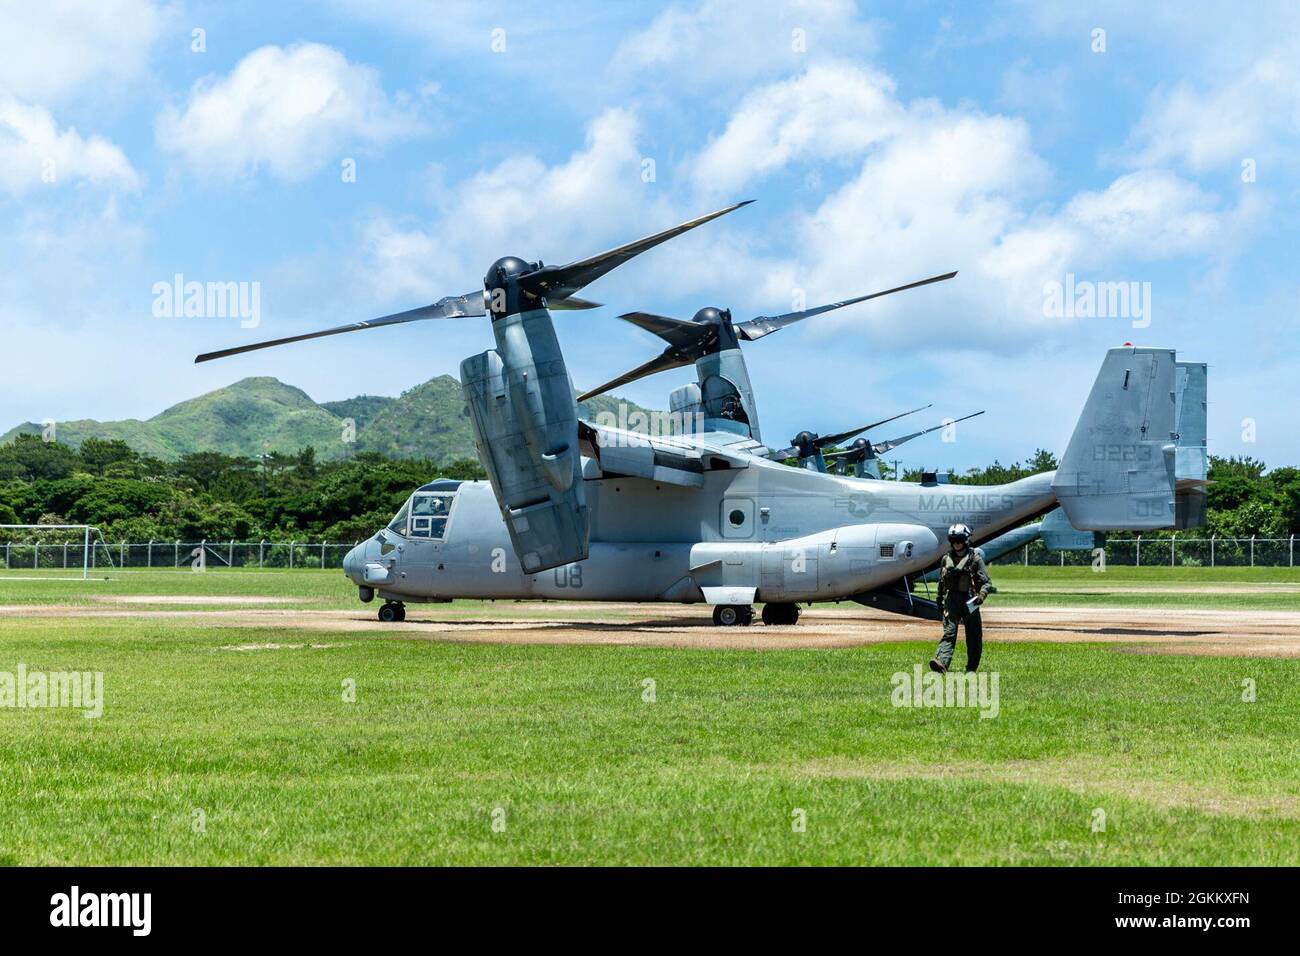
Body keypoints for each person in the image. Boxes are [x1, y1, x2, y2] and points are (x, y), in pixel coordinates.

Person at [930, 523, 993, 673]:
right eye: (953, 540)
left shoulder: (975, 559)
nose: (956, 543)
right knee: (949, 633)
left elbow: (986, 582)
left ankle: (971, 668)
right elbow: (942, 581)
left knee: (974, 636)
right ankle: (941, 662)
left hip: (970, 600)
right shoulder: (946, 559)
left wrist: (981, 596)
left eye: (959, 540)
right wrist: (939, 598)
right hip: (951, 600)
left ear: (965, 540)